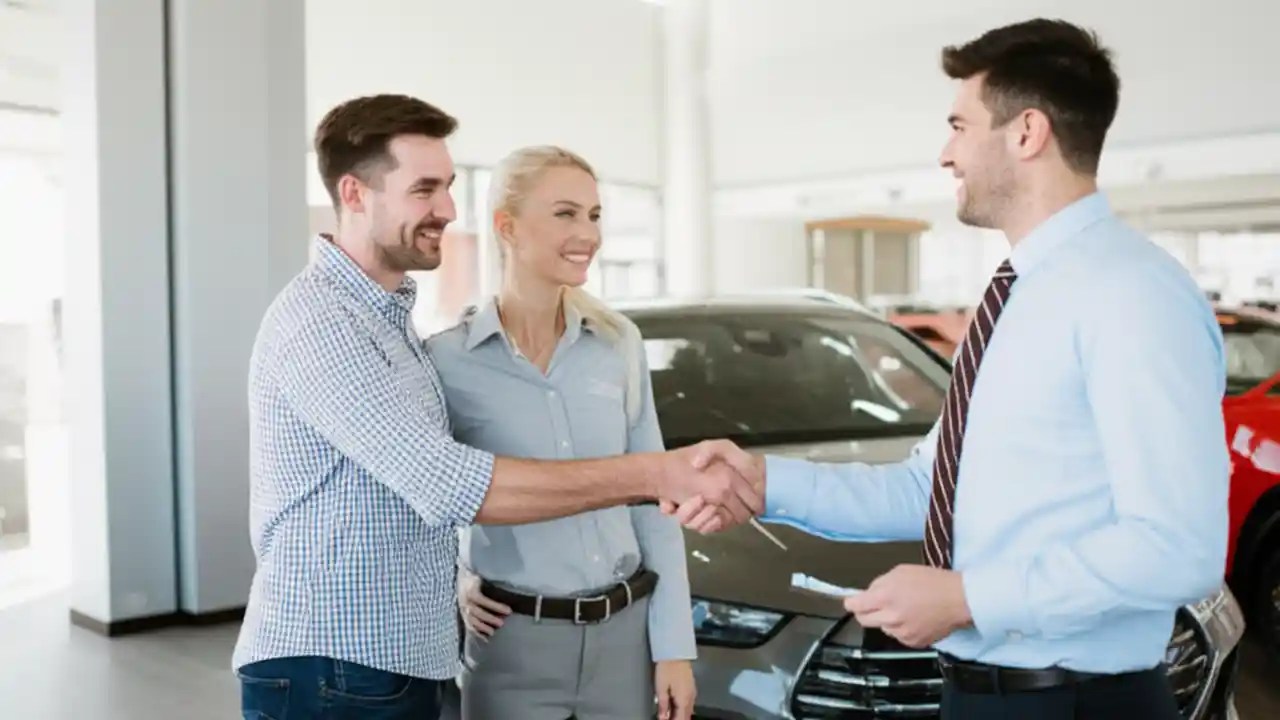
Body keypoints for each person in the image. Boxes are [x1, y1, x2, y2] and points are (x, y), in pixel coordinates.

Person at [678, 18, 1229, 720]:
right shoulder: (1020, 294)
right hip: (984, 695)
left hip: (1076, 703)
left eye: (959, 126)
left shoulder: (1131, 294)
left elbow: (1177, 549)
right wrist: (766, 483)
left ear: (1026, 133)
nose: (945, 153)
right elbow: (929, 490)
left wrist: (968, 598)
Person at [231, 95, 758, 720]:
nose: (449, 210)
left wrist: (671, 642)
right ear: (354, 194)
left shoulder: (391, 324)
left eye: (450, 188)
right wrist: (651, 474)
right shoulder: (325, 325)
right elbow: (448, 484)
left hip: (401, 661)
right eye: (424, 189)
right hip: (340, 666)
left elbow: (408, 492)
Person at [425, 145, 697, 720]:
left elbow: (656, 500)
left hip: (625, 641)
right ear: (508, 227)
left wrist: (674, 648)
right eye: (566, 214)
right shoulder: (447, 361)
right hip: (511, 646)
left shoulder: (618, 344)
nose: (589, 233)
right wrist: (457, 578)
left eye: (595, 216)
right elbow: (422, 497)